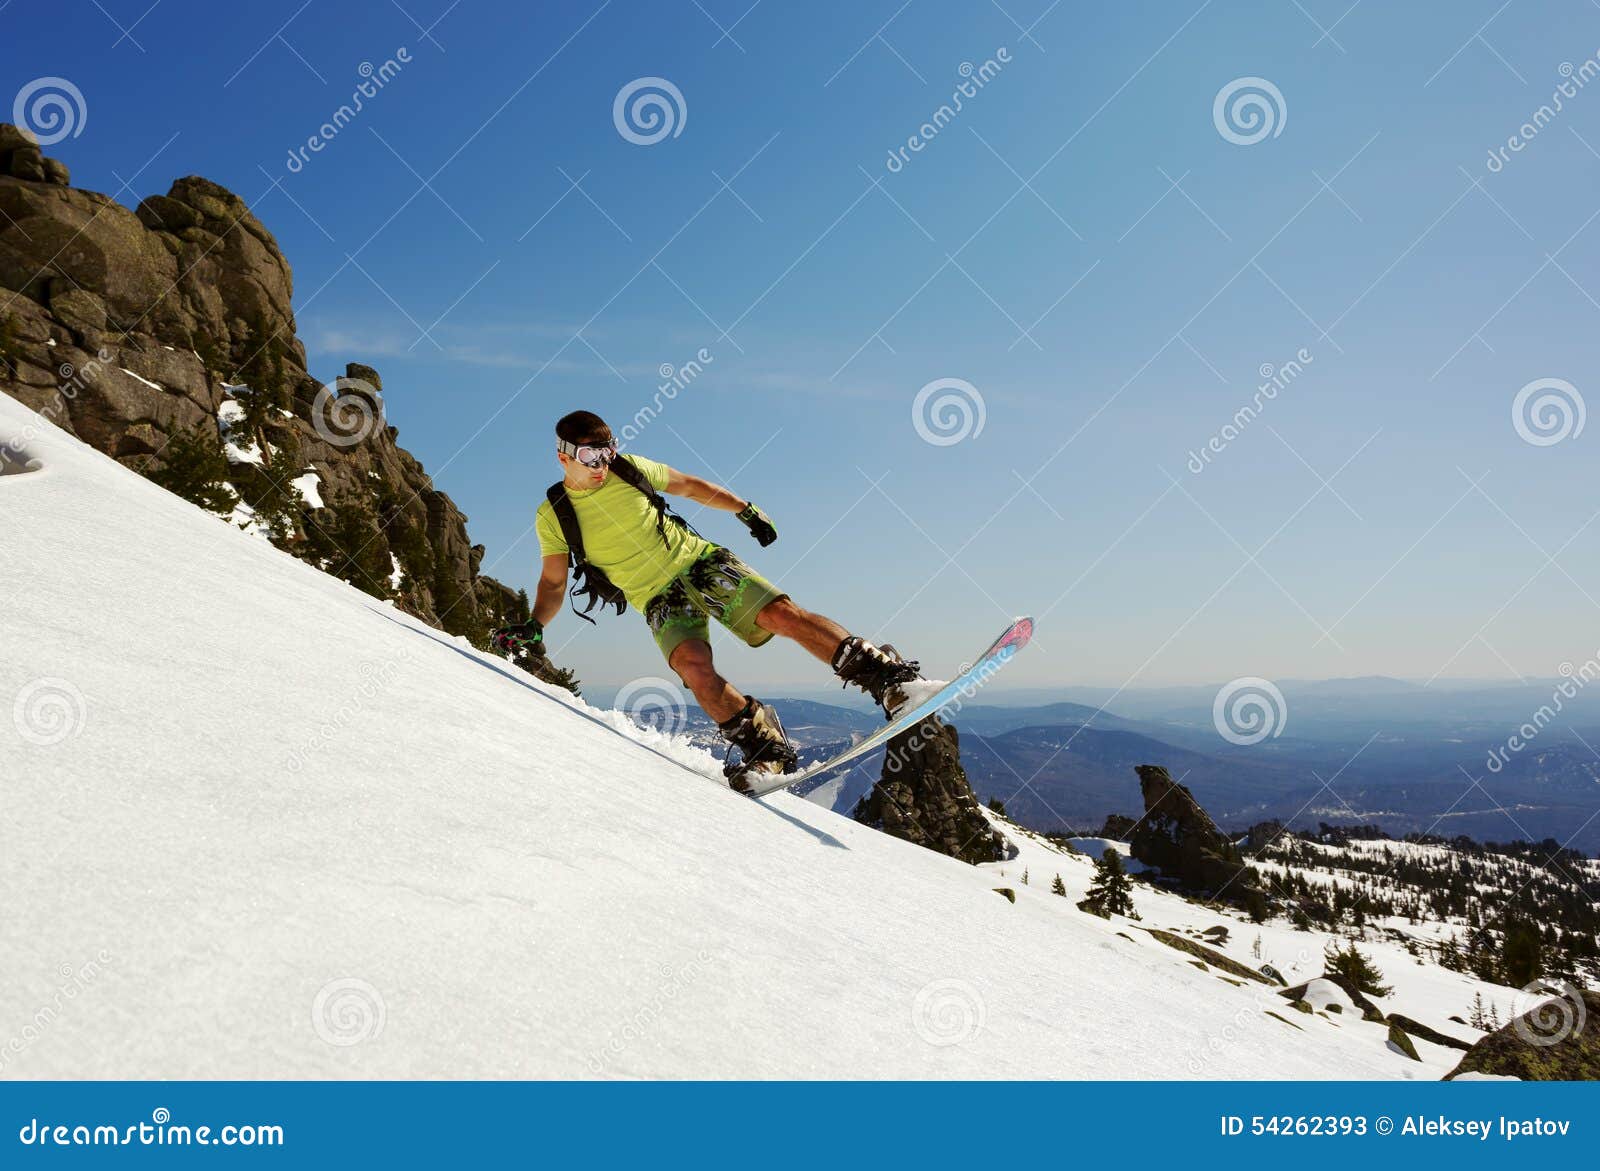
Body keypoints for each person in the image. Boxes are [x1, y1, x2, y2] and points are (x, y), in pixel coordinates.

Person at [492, 410, 922, 790]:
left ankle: (888, 679)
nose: (603, 463)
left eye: (609, 451)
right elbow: (552, 583)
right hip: (657, 597)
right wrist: (535, 626)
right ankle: (763, 745)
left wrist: (744, 509)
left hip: (700, 563)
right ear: (564, 456)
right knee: (695, 669)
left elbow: (691, 487)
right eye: (591, 456)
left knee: (780, 615)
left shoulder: (629, 470)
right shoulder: (553, 514)